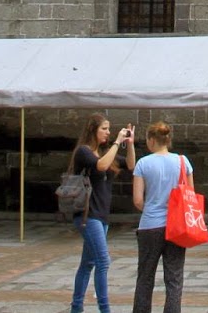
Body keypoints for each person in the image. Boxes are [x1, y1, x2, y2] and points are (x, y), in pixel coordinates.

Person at [68, 114, 137, 313]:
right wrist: (117, 141)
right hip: (87, 215)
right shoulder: (84, 152)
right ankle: (104, 309)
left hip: (102, 214)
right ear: (93, 130)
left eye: (109, 129)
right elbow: (101, 166)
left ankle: (76, 307)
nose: (108, 132)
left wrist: (129, 143)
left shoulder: (106, 152)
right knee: (103, 261)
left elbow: (130, 165)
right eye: (104, 129)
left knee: (88, 263)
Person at [129, 121, 192, 313]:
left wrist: (151, 210)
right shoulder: (183, 161)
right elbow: (190, 194)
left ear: (151, 140)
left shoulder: (143, 163)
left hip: (150, 225)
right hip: (176, 226)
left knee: (145, 277)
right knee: (174, 278)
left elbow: (138, 200)